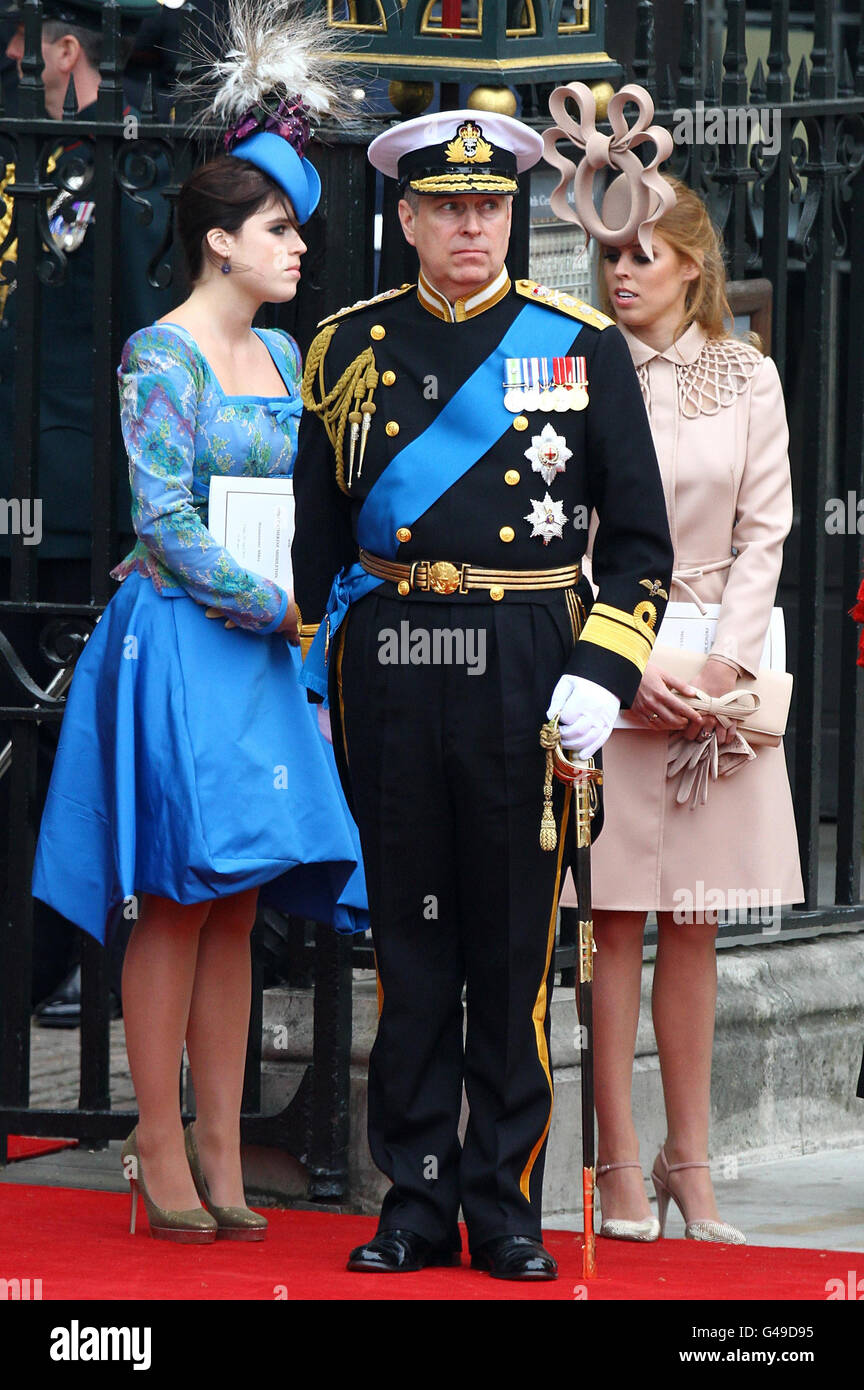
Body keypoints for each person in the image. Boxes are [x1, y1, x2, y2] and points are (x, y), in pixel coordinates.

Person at [291, 106, 674, 1279]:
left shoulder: (577, 345)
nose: (472, 223)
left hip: (526, 661)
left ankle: (504, 1202)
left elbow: (644, 547)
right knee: (411, 953)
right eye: (449, 206)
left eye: (492, 204)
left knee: (512, 956)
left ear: (513, 213)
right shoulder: (347, 348)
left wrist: (603, 672)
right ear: (405, 218)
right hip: (396, 663)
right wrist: (316, 687)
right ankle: (410, 1197)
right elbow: (315, 552)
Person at [32, 11, 364, 1241]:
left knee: (240, 897)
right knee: (173, 894)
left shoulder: (288, 355)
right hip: (186, 636)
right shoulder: (156, 357)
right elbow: (163, 517)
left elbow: (312, 503)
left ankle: (225, 1154)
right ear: (220, 240)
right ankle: (155, 1147)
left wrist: (315, 612)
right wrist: (276, 605)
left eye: (300, 229)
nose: (298, 248)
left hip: (271, 648)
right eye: (281, 229)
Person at [553, 136, 804, 1240]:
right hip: (612, 668)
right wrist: (631, 667)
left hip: (714, 686)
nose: (621, 272)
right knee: (611, 924)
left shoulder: (750, 375)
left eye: (643, 254)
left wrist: (719, 667)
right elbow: (560, 534)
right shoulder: (570, 366)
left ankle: (688, 1166)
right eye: (611, 253)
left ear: (692, 266)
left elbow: (767, 532)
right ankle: (613, 1164)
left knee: (694, 925)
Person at [1, 0, 171, 1016]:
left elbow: (136, 345)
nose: (14, 65)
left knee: (69, 739)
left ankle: (78, 958)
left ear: (66, 52)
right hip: (17, 486)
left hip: (66, 501)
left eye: (24, 49)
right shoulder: (29, 157)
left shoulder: (117, 168)